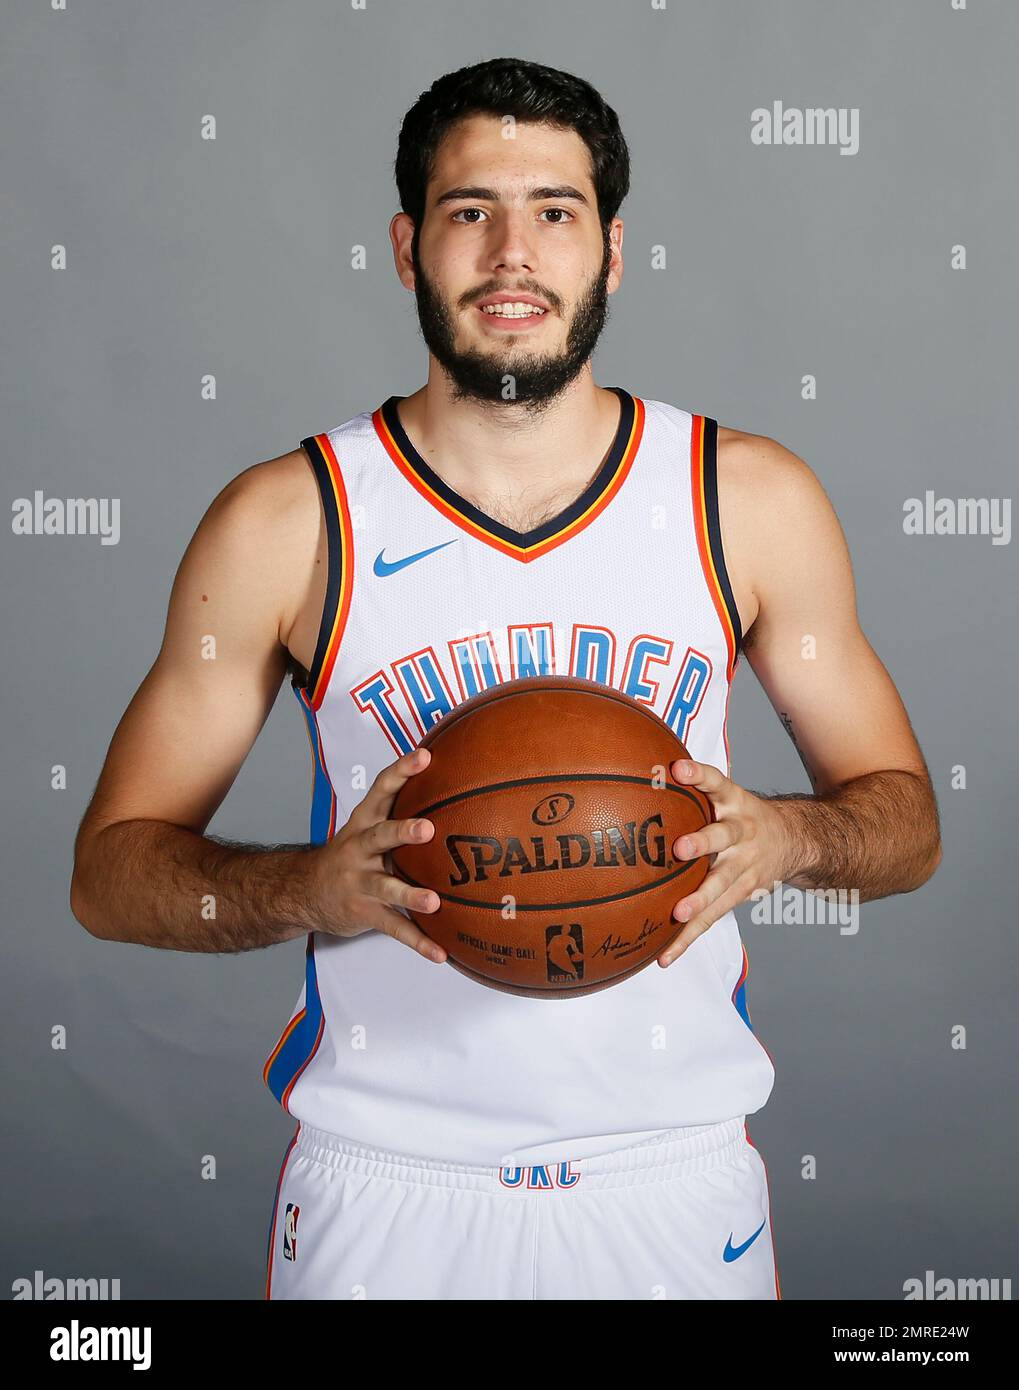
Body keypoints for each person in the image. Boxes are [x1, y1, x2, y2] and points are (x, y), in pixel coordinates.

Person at [70, 57, 941, 1301]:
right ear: (406, 244)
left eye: (554, 211)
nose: (510, 253)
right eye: (469, 210)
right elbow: (110, 874)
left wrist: (790, 840)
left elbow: (905, 825)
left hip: (669, 1177)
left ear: (613, 249)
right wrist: (306, 887)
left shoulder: (740, 499)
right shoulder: (289, 521)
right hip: (388, 1182)